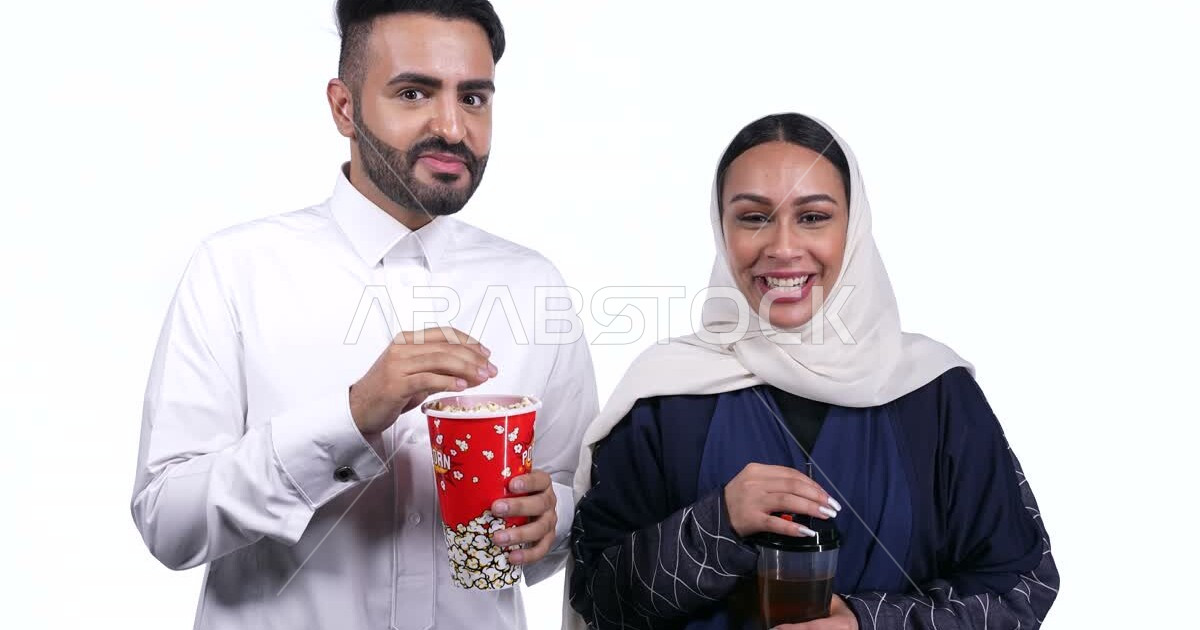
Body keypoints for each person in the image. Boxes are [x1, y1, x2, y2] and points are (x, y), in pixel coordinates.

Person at [129, 1, 598, 629]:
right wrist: (350, 418)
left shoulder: (533, 282)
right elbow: (169, 521)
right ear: (344, 107)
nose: (453, 128)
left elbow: (579, 516)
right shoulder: (237, 269)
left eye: (474, 99)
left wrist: (556, 517)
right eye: (413, 93)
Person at [565, 113, 1058, 629]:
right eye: (753, 217)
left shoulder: (935, 391)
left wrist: (866, 623)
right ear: (721, 228)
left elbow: (1020, 587)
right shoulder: (664, 394)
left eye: (814, 217)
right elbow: (597, 597)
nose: (782, 247)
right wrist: (717, 525)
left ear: (855, 226)